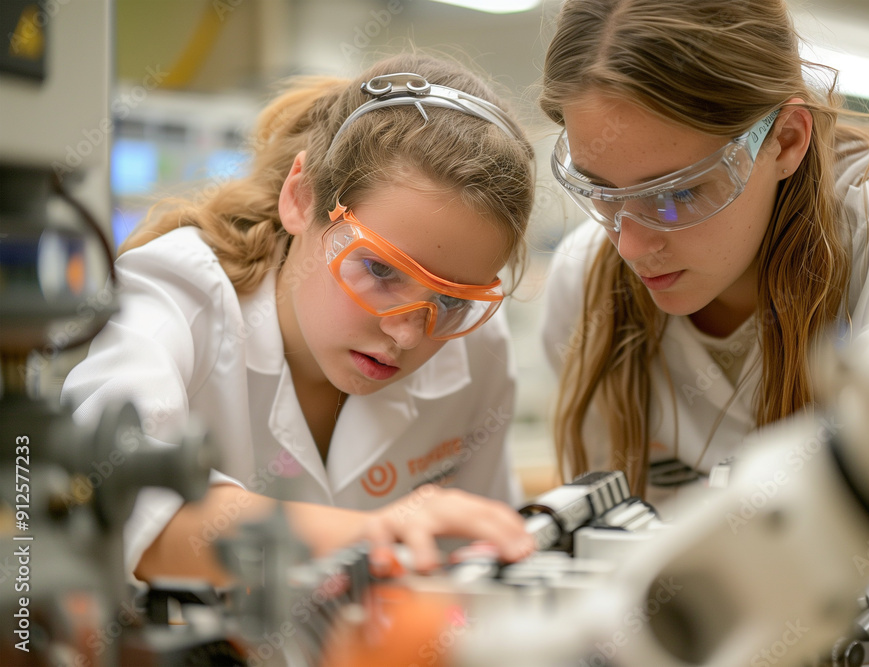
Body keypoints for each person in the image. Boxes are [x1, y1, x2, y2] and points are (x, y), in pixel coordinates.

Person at [61, 53, 538, 586]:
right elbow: (121, 505)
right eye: (381, 269)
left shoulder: (472, 345)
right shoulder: (179, 294)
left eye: (451, 301)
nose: (407, 332)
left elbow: (481, 553)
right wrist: (371, 534)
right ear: (301, 197)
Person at [538, 0, 869, 507]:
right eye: (601, 190)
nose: (629, 245)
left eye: (676, 194)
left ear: (786, 139)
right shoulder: (584, 282)